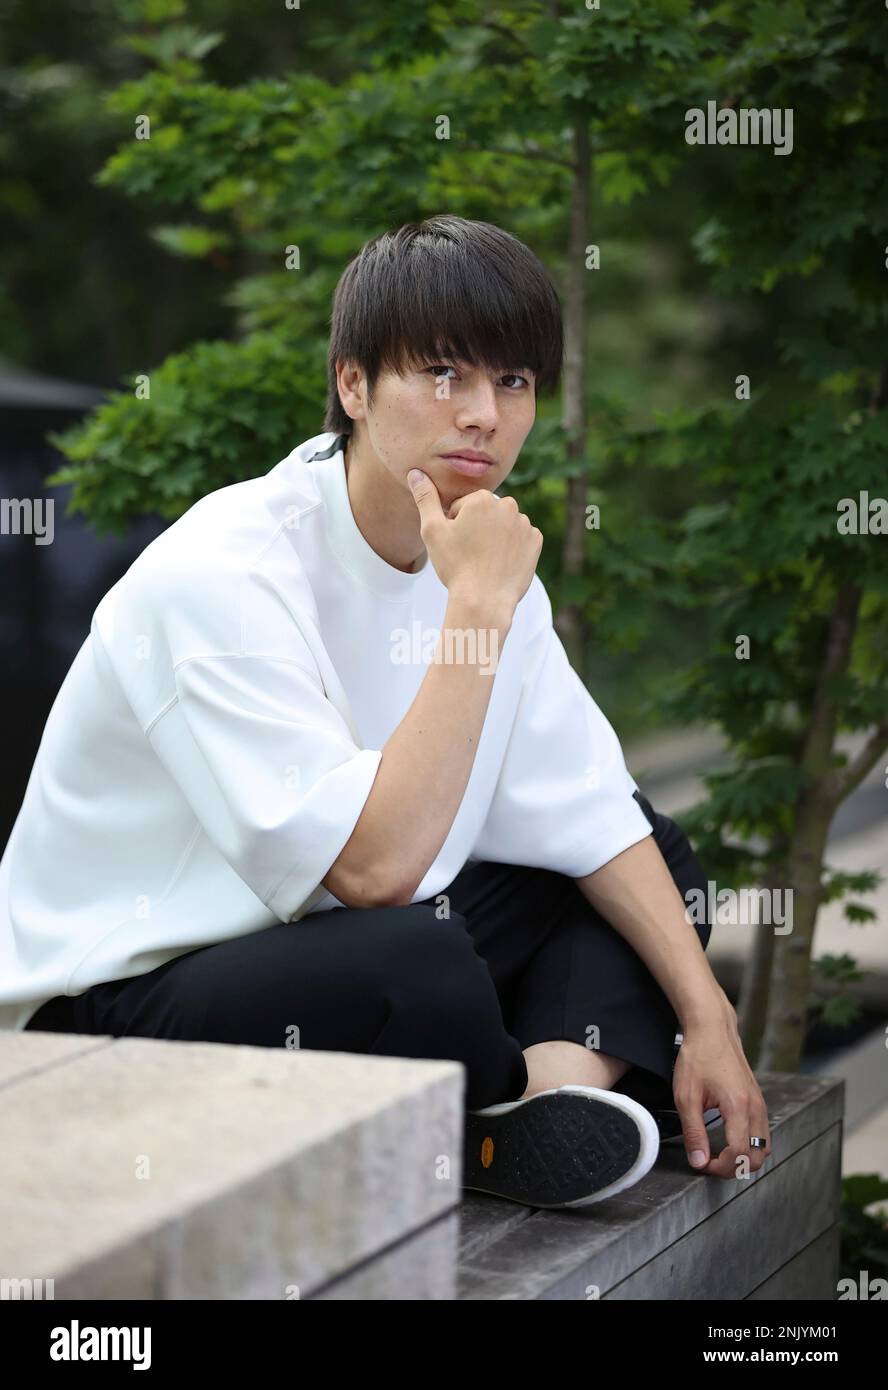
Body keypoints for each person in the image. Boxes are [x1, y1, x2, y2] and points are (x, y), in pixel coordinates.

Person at [1, 215, 770, 1208]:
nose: (484, 414)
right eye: (445, 374)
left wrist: (708, 1020)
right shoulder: (224, 572)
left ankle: (537, 1107)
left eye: (515, 381)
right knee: (413, 955)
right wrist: (476, 613)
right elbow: (373, 869)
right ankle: (494, 1111)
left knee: (649, 857)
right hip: (113, 1015)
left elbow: (593, 815)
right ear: (353, 384)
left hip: (327, 951)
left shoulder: (479, 560)